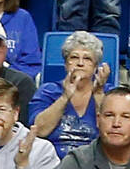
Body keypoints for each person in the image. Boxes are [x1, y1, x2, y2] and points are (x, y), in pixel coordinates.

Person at [28, 28, 111, 157]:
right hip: (52, 161)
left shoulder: (109, 93)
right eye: (74, 57)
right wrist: (64, 98)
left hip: (95, 161)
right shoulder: (48, 91)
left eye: (88, 59)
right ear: (66, 64)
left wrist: (99, 94)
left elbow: (112, 131)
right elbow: (39, 131)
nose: (80, 63)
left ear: (96, 66)